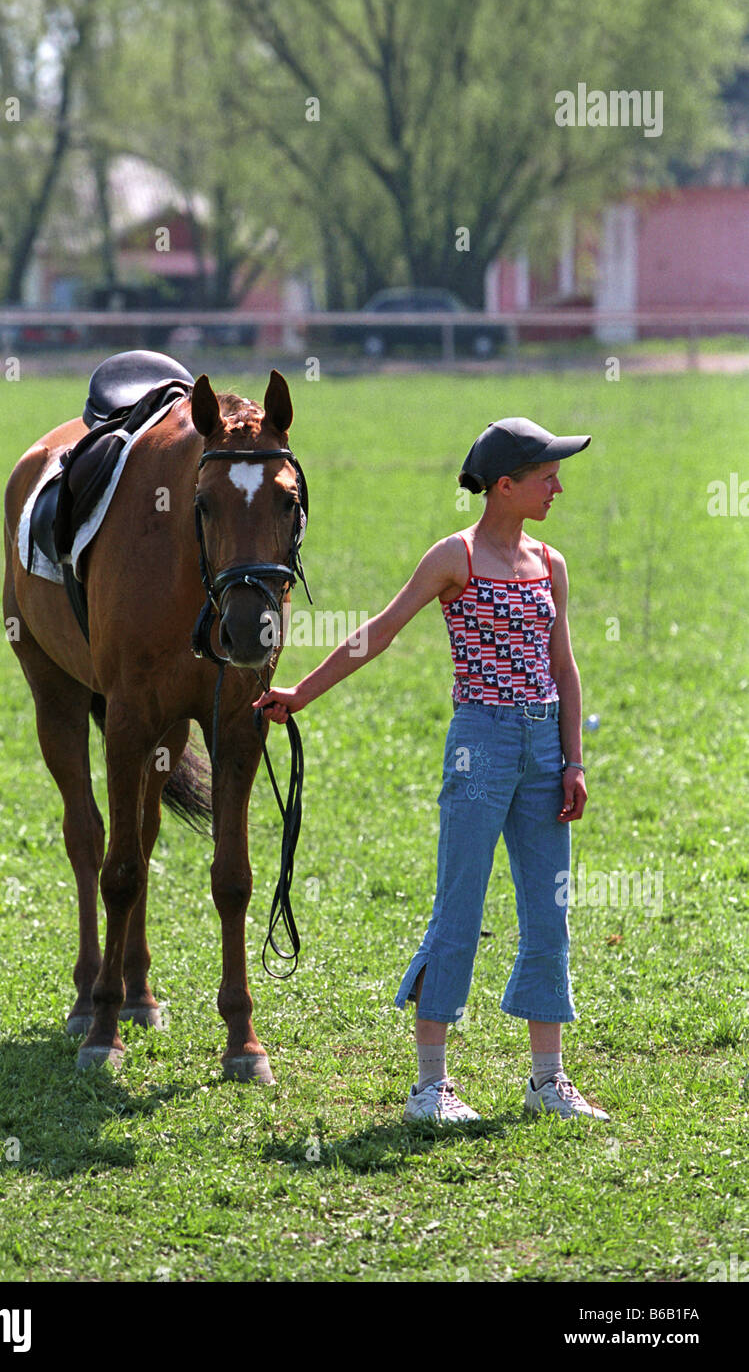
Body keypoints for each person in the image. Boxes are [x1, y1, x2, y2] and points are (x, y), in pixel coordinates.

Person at [253, 416, 610, 1124]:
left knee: (549, 912)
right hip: (479, 743)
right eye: (546, 478)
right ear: (504, 486)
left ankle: (547, 1081)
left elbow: (563, 668)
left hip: (543, 749)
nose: (557, 488)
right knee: (460, 907)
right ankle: (429, 1088)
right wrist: (299, 693)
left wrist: (572, 760)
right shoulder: (455, 557)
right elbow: (376, 634)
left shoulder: (550, 562)